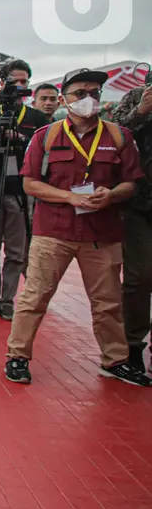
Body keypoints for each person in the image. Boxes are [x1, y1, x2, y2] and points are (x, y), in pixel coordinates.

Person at [4, 68, 149, 386]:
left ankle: (115, 360)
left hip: (103, 231)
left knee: (108, 301)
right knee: (35, 296)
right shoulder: (47, 136)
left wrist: (111, 195)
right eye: (80, 93)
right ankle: (17, 356)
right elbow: (30, 184)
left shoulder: (120, 136)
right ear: (64, 99)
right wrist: (68, 197)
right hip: (54, 230)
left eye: (94, 92)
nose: (89, 99)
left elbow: (131, 183)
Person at [0, 60, 51, 320]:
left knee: (16, 251)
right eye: (14, 81)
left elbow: (44, 152)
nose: (20, 87)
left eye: (24, 82)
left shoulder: (36, 118)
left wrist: (22, 140)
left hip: (20, 189)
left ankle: (8, 299)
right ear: (2, 83)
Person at [112, 76, 152, 373]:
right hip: (138, 202)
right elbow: (116, 134)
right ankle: (133, 345)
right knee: (139, 277)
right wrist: (142, 111)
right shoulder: (135, 97)